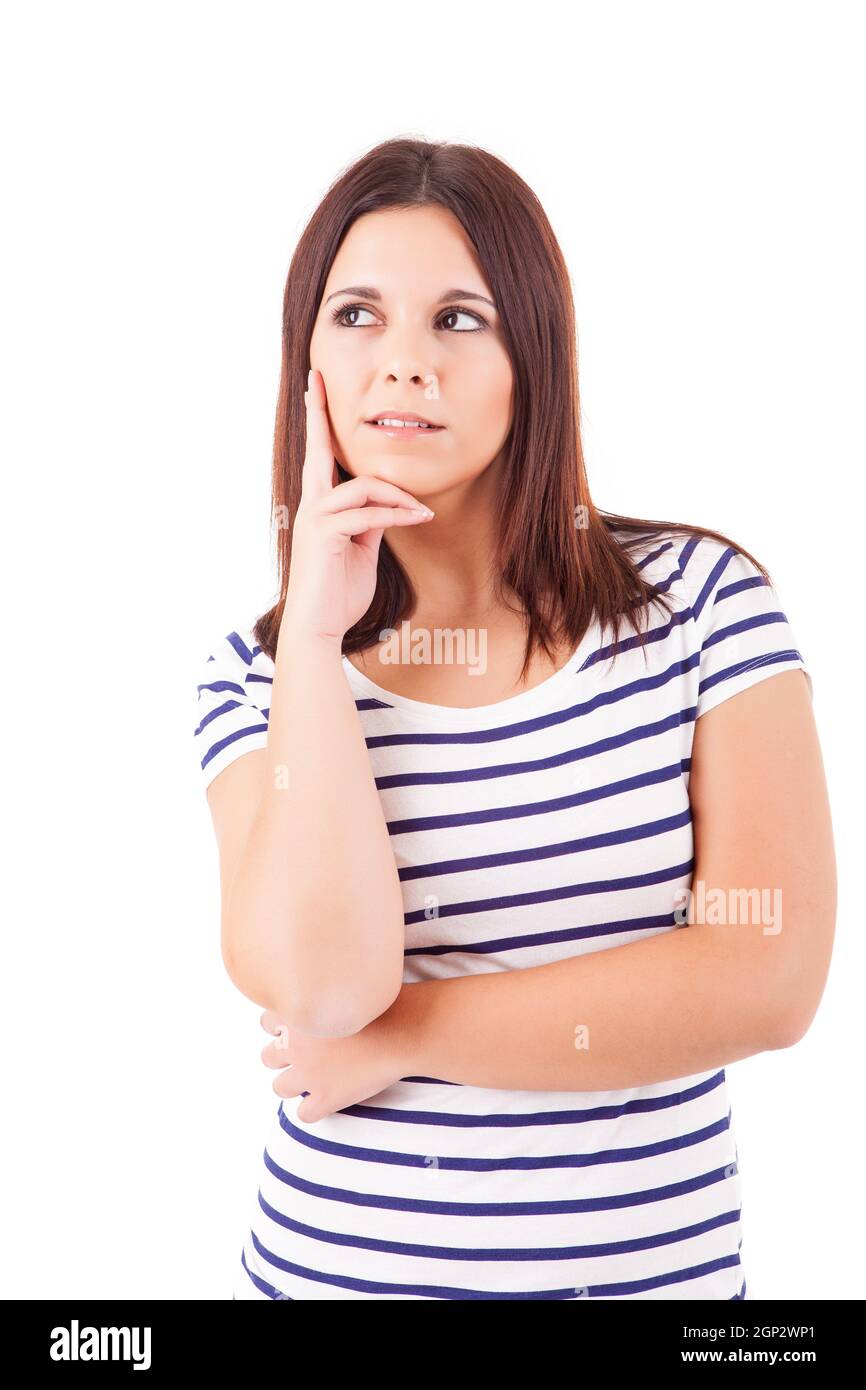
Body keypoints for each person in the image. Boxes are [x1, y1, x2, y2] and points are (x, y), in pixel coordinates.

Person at [193, 137, 836, 1301]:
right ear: (306, 369)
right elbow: (321, 990)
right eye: (355, 317)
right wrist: (316, 640)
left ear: (530, 355)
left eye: (456, 320)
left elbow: (767, 975)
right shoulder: (261, 673)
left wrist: (404, 1036)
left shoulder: (698, 604)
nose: (402, 365)